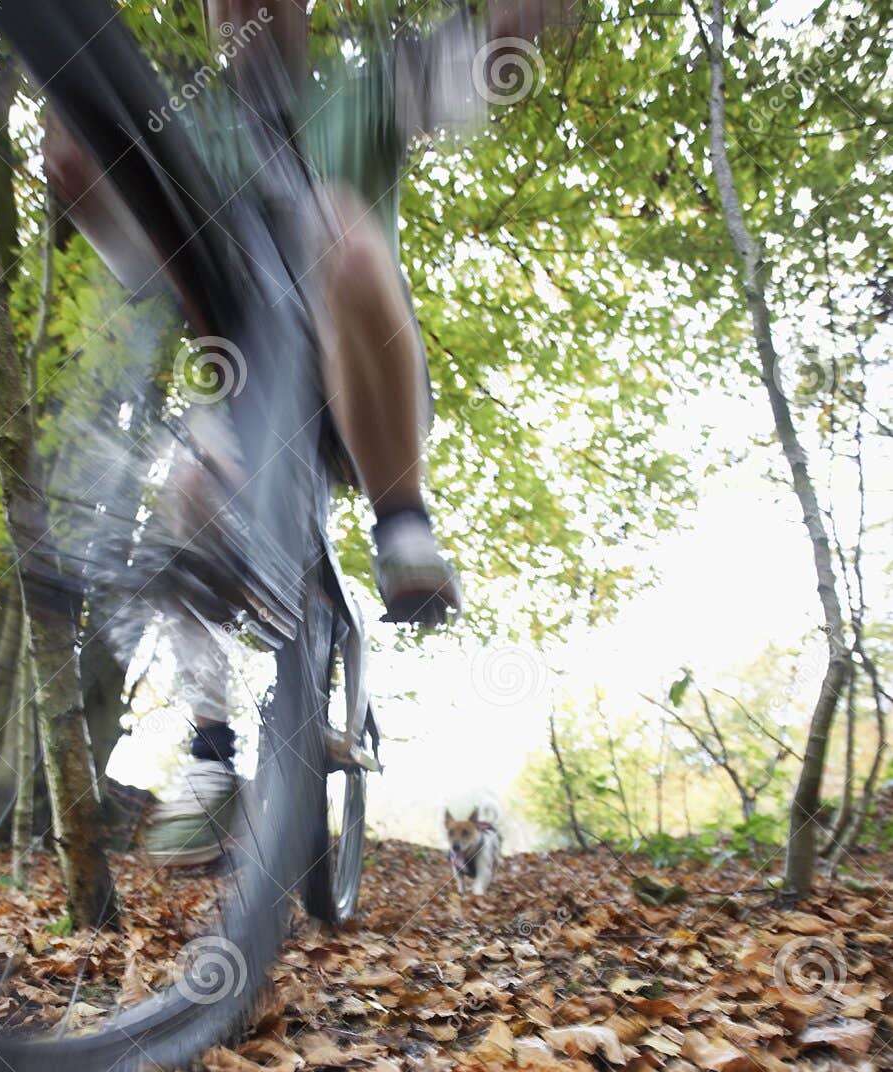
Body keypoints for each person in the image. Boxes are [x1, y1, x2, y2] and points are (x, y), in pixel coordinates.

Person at [45, 1, 578, 862]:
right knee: (183, 492)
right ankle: (213, 755)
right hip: (250, 405)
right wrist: (83, 174)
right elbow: (136, 252)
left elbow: (462, 64)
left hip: (361, 378)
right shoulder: (192, 129)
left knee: (339, 225)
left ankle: (401, 520)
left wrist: (507, 30)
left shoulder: (357, 95)